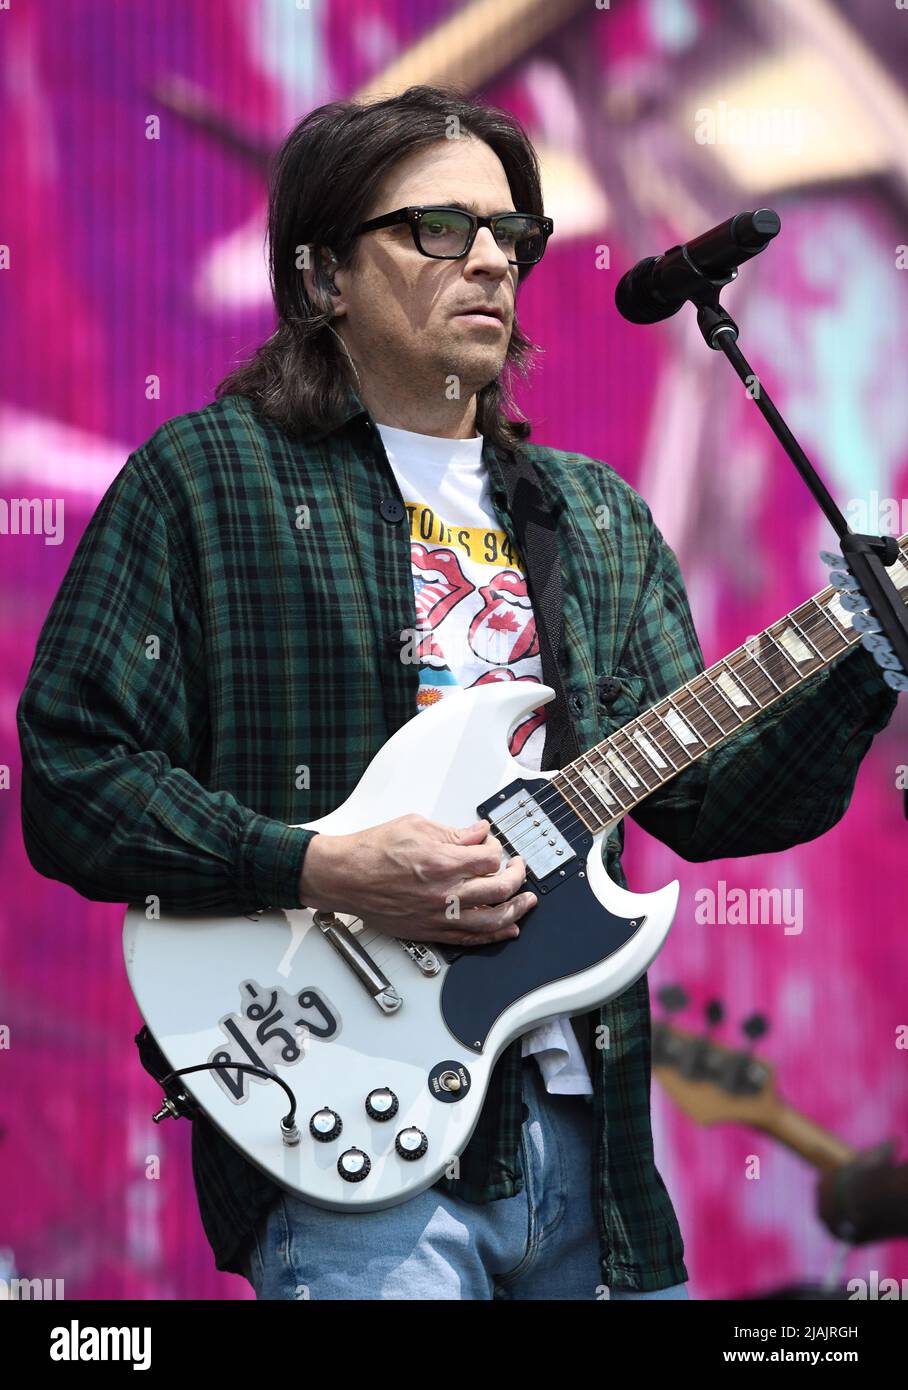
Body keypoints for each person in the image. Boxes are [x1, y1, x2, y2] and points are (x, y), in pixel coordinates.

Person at [17, 85, 898, 1301]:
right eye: (438, 228)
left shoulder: (591, 516)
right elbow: (72, 773)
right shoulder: (209, 478)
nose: (489, 258)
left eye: (511, 235)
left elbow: (706, 804)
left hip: (597, 1162)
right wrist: (315, 865)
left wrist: (863, 650)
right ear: (323, 275)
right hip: (357, 1170)